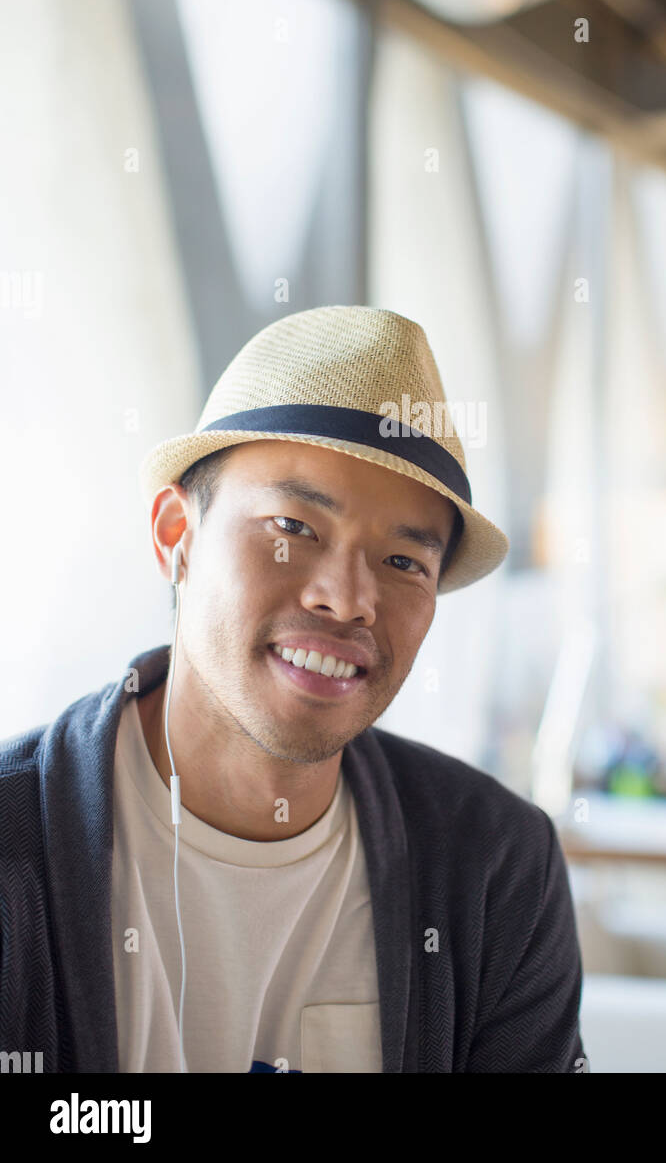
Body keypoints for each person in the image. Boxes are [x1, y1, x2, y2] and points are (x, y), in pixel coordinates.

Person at [0, 304, 586, 1073]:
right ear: (176, 535)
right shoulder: (19, 850)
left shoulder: (496, 869)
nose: (347, 600)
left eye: (404, 562)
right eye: (292, 527)